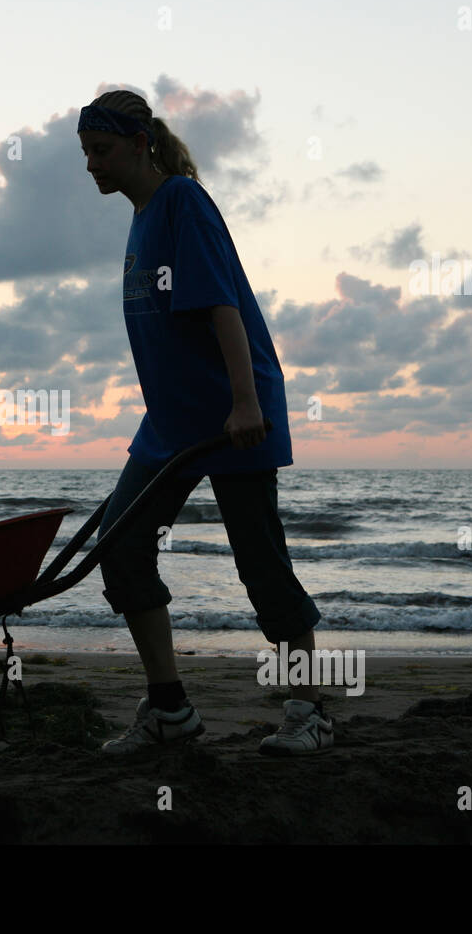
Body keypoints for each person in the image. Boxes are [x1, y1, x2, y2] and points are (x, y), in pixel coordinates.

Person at [78, 89, 332, 755]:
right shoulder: (140, 219)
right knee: (121, 548)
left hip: (232, 414)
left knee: (261, 564)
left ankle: (310, 710)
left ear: (139, 143)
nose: (91, 165)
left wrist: (246, 402)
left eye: (101, 150)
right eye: (86, 153)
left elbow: (222, 305)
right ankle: (170, 710)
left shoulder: (182, 201)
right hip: (171, 422)